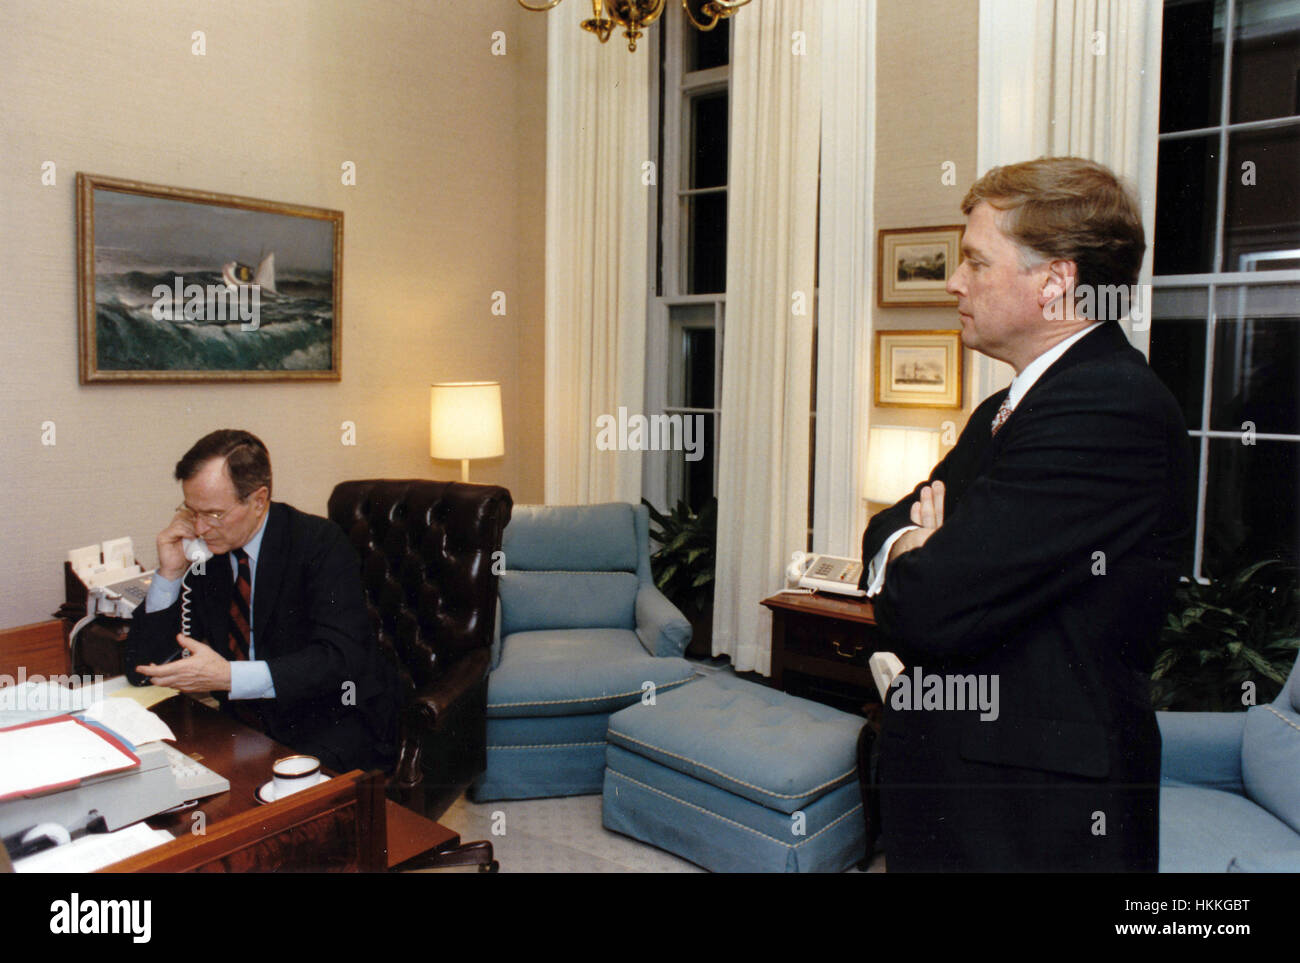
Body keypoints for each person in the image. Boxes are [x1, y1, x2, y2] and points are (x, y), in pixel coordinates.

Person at [859, 157, 1195, 871]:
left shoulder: (1109, 405)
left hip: (1034, 819)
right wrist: (914, 543)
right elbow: (882, 530)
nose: (954, 281)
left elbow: (928, 607)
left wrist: (924, 555)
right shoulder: (1002, 410)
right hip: (965, 792)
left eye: (977, 261)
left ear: (1056, 283)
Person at [127, 429, 399, 773]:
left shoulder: (320, 544)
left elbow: (339, 659)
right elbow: (142, 669)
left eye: (213, 514)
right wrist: (168, 575)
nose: (199, 527)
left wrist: (230, 677)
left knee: (267, 805)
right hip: (246, 724)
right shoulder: (208, 555)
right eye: (190, 510)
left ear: (259, 500)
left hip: (332, 720)